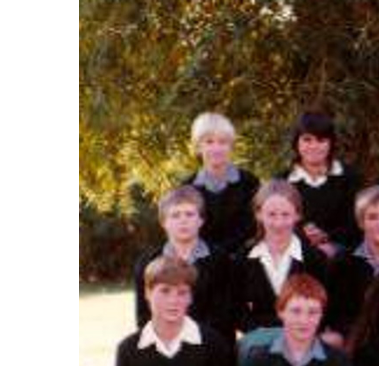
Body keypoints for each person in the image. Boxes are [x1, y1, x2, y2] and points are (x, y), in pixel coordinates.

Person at [231, 180, 328, 347]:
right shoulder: (244, 258)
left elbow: (325, 308)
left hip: (305, 337)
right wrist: (264, 334)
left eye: (285, 215)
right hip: (259, 341)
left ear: (298, 215)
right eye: (271, 214)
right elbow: (236, 309)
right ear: (258, 214)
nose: (278, 223)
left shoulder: (315, 259)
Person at [133, 185, 233, 339]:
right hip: (163, 343)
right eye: (175, 215)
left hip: (210, 344)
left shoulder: (221, 260)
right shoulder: (147, 262)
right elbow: (143, 317)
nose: (183, 221)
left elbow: (224, 317)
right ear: (163, 222)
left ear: (201, 220)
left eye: (189, 214)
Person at [325, 185, 379, 344]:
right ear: (361, 222)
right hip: (355, 340)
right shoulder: (343, 263)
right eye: (372, 217)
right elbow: (335, 315)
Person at [282, 111, 363, 257]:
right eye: (307, 139)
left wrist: (327, 237)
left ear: (331, 143)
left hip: (340, 251)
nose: (314, 146)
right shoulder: (283, 181)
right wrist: (302, 234)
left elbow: (357, 223)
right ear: (296, 142)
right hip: (294, 251)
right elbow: (275, 223)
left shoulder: (350, 178)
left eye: (321, 140)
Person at [182, 112, 260, 253]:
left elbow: (255, 225)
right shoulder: (187, 188)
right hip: (202, 260)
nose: (216, 148)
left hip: (243, 259)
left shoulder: (249, 182)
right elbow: (185, 228)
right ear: (198, 147)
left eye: (222, 142)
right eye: (209, 142)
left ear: (231, 145)